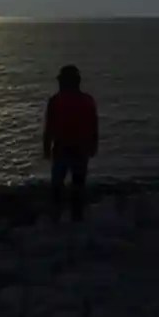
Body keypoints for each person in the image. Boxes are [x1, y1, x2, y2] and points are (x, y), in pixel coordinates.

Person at [43, 64, 99, 222]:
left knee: (58, 188)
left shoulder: (55, 101)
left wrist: (46, 147)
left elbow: (49, 127)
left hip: (64, 148)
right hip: (79, 149)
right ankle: (76, 218)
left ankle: (57, 218)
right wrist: (93, 145)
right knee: (77, 187)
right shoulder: (87, 100)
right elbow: (94, 126)